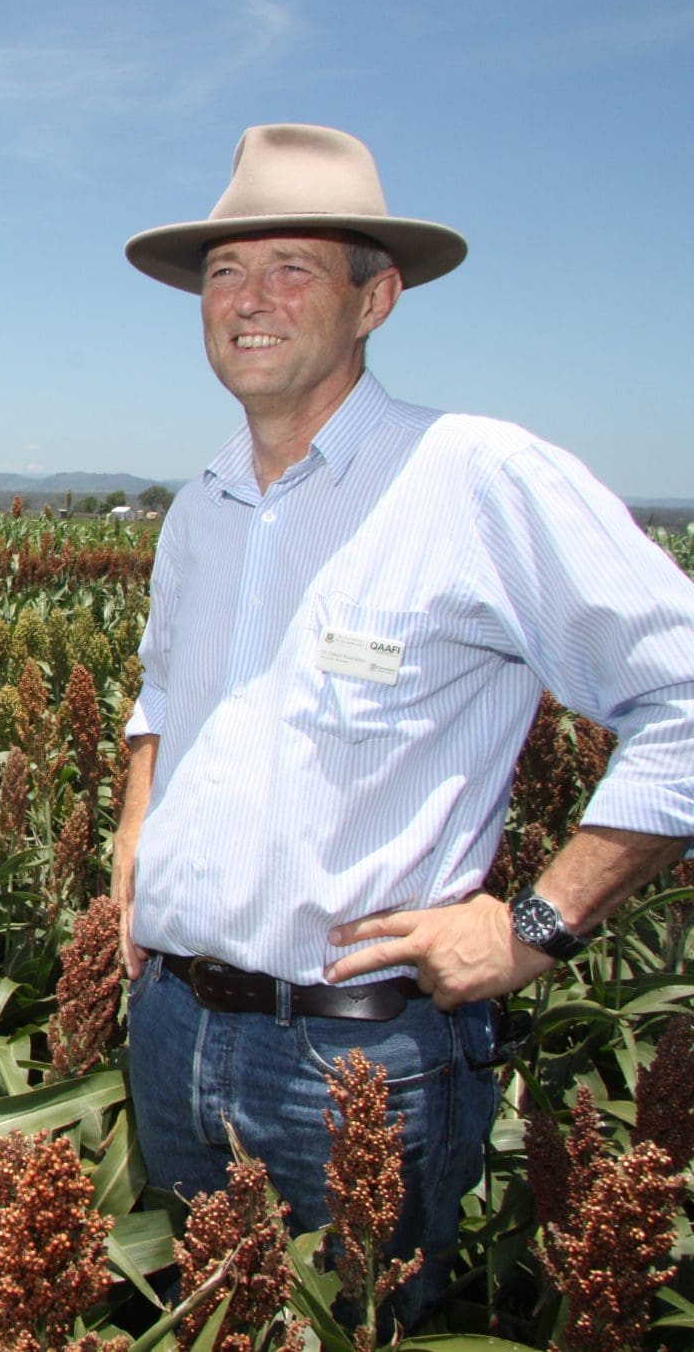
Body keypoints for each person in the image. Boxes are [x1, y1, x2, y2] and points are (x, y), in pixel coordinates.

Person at [111, 122, 694, 1329]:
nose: (248, 299)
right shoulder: (200, 507)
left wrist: (544, 919)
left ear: (373, 299)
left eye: (291, 268)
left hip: (354, 1066)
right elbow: (160, 695)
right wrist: (133, 848)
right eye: (224, 271)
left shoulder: (473, 479)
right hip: (168, 1036)